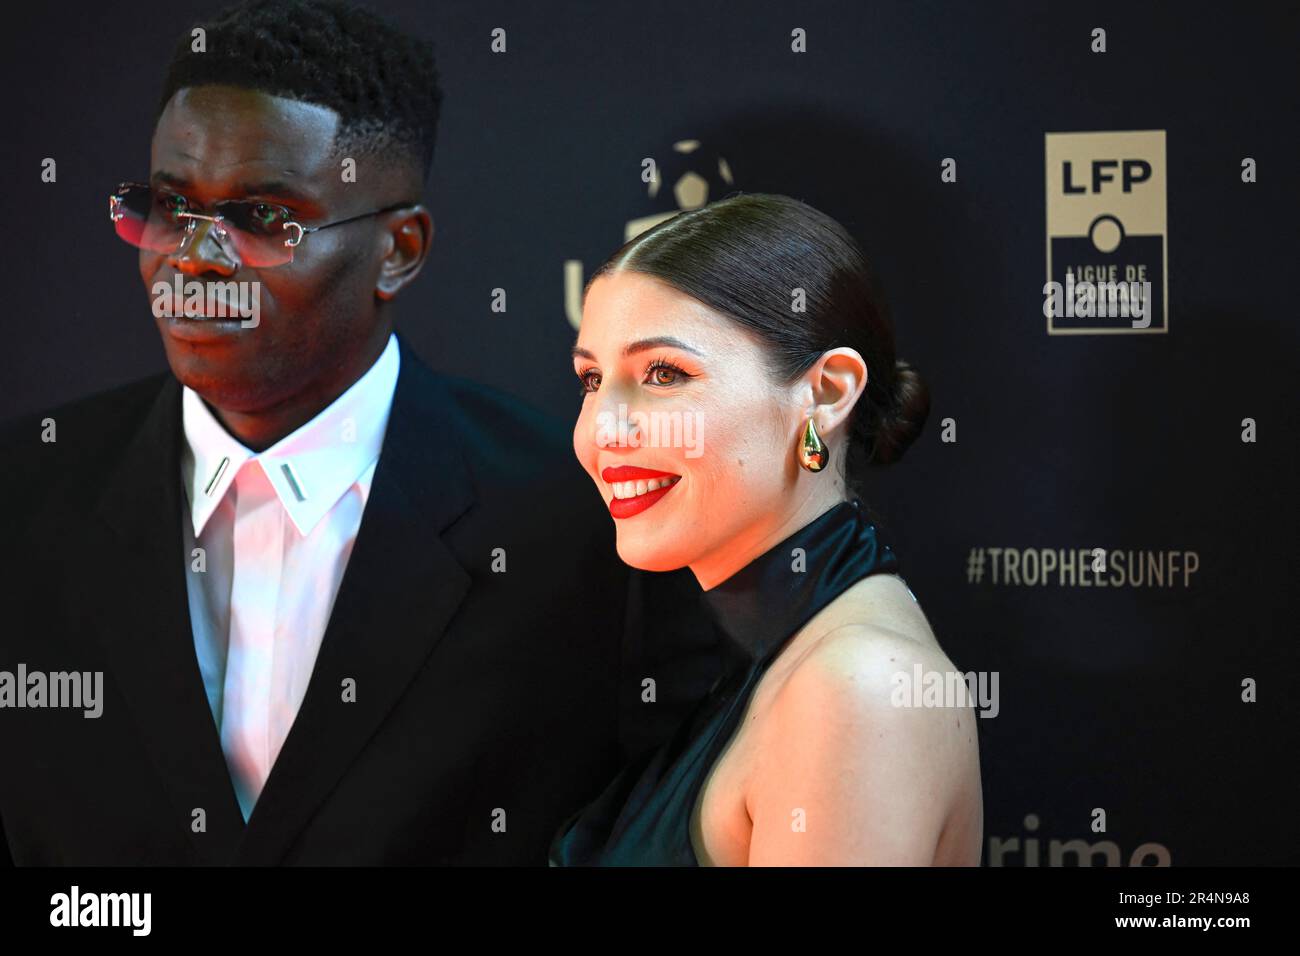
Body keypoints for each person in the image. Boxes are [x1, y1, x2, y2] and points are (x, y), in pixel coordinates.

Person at [0, 0, 722, 865]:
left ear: (399, 250)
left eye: (263, 219)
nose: (192, 256)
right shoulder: (24, 498)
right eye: (167, 205)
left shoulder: (585, 522)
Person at [551, 193, 984, 865]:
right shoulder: (787, 651)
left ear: (828, 392)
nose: (601, 432)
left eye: (664, 374)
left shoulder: (858, 688)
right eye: (591, 380)